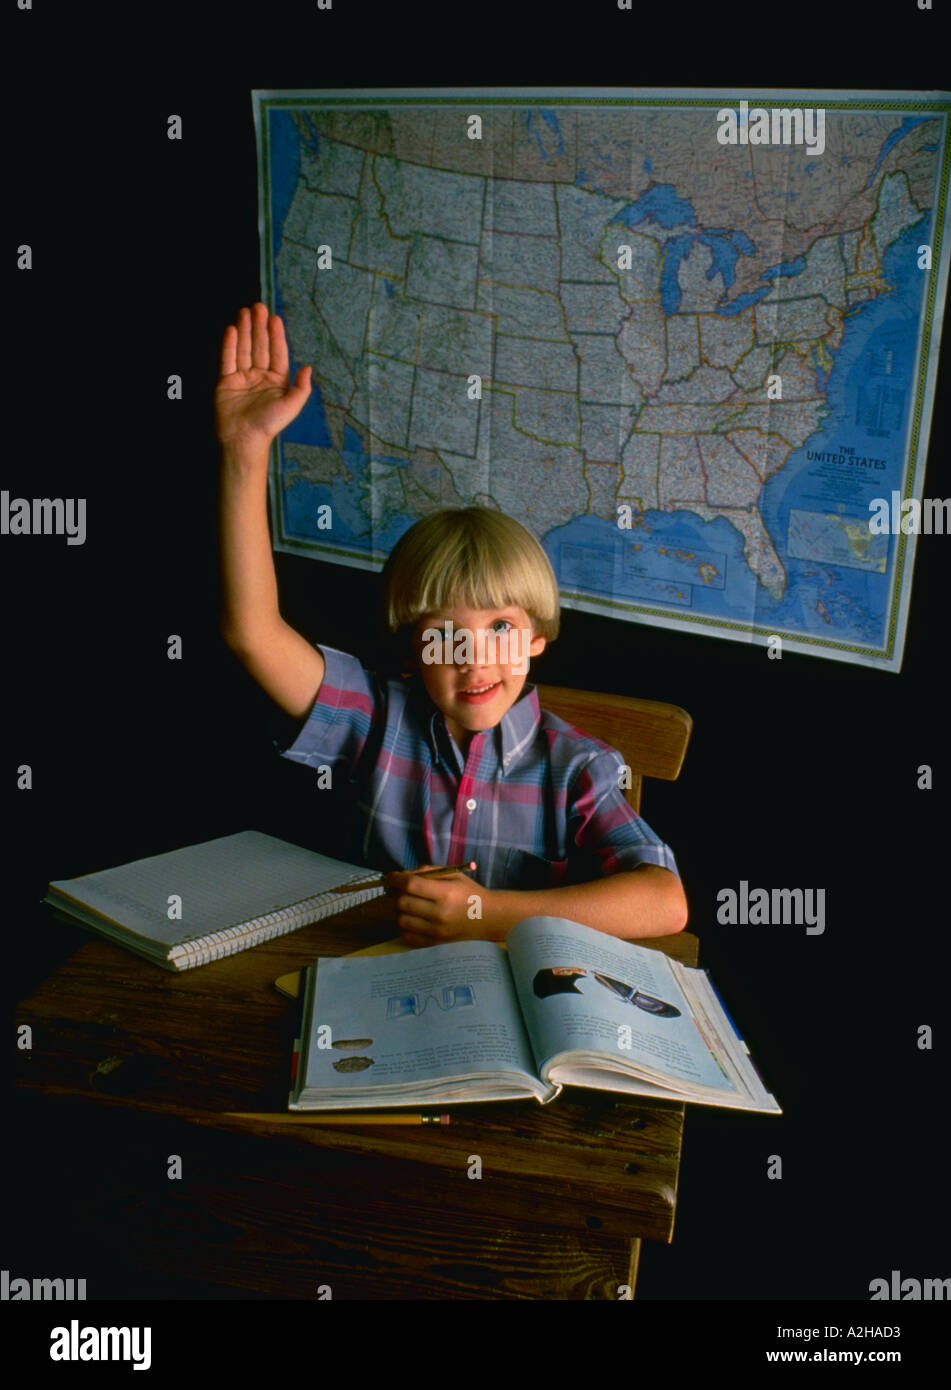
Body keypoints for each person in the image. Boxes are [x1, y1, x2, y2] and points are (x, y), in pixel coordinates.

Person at [216, 302, 688, 947]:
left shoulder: (577, 768)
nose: (473, 657)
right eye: (445, 633)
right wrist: (246, 453)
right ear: (414, 648)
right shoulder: (374, 718)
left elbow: (665, 901)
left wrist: (487, 913)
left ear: (537, 638)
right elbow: (253, 633)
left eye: (500, 627)